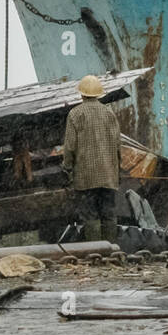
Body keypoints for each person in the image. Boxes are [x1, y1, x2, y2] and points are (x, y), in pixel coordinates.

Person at [61, 75, 122, 244]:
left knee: (91, 215)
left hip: (86, 177)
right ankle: (111, 250)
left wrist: (67, 168)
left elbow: (70, 147)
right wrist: (117, 171)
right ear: (98, 94)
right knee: (109, 214)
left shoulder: (75, 114)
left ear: (81, 94)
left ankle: (96, 251)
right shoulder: (109, 113)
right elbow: (118, 144)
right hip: (109, 175)